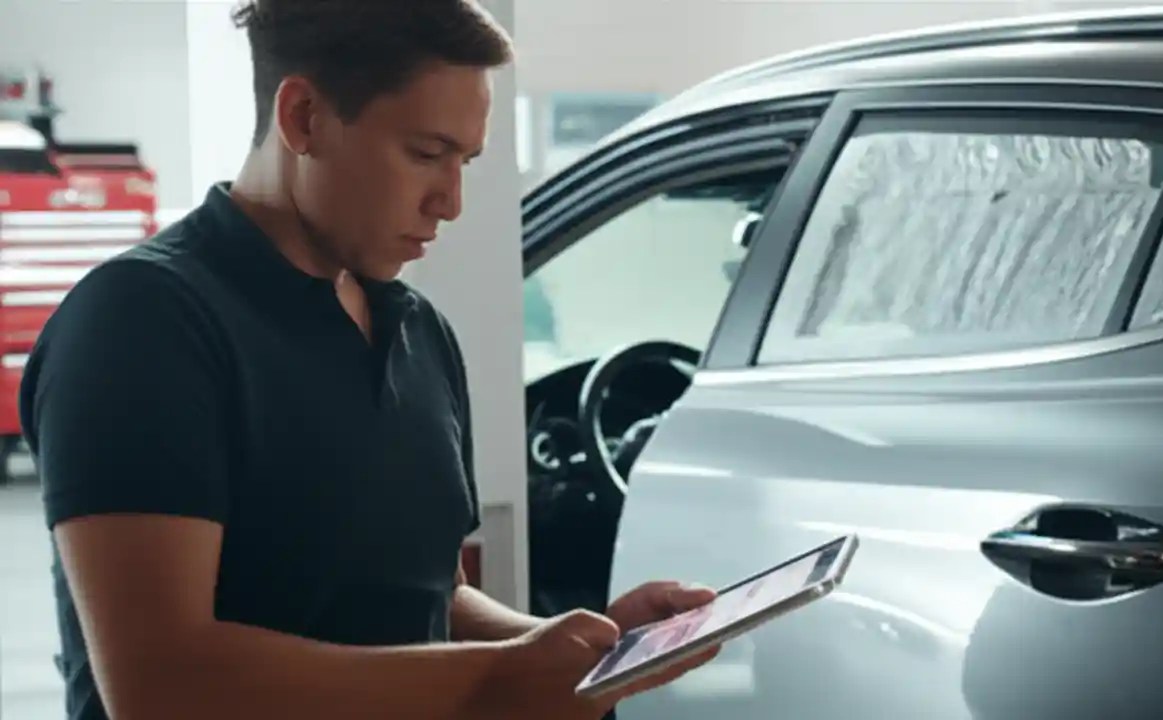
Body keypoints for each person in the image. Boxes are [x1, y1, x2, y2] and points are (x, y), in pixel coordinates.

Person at [18, 2, 719, 719]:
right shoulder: (142, 323)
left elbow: (426, 600)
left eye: (465, 161)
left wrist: (581, 652)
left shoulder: (419, 332)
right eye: (425, 154)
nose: (451, 201)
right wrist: (495, 679)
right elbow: (162, 683)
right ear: (304, 118)